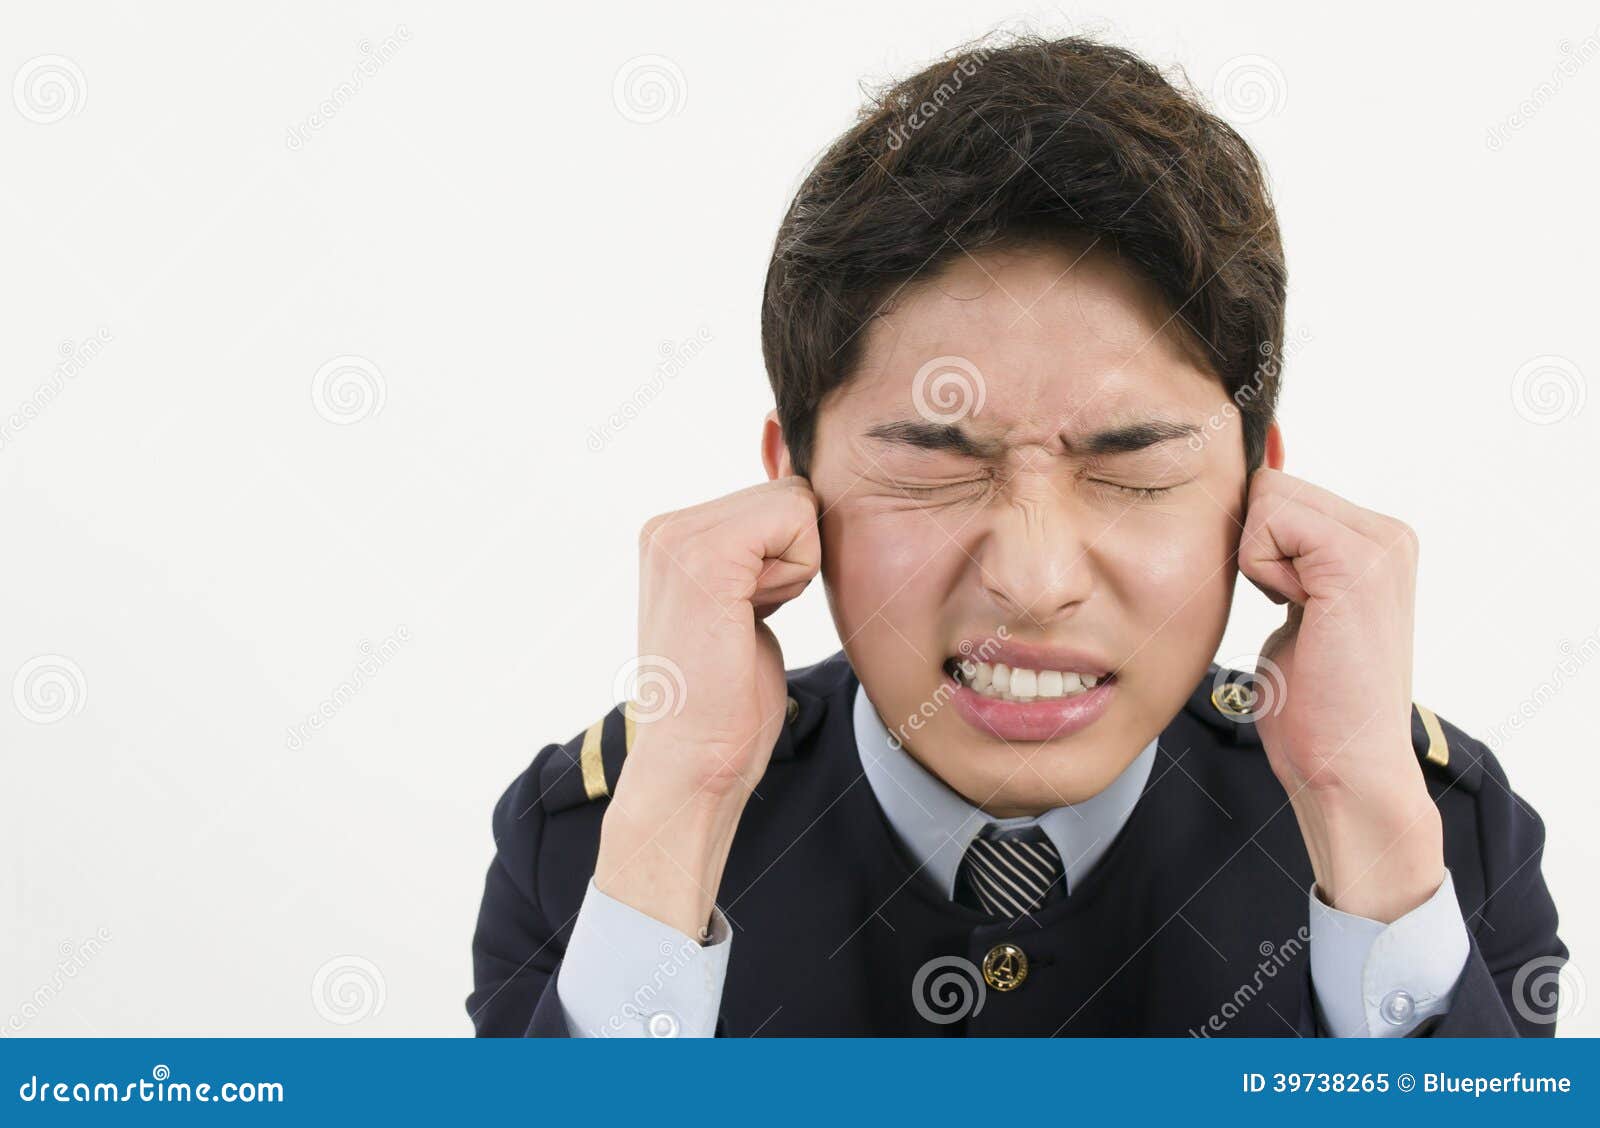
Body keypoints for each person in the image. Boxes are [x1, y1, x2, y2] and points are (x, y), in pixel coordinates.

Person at [467, 33, 1564, 1036]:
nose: (1033, 581)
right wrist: (681, 815)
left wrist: (1363, 822)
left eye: (1130, 466)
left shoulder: (1442, 837)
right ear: (789, 483)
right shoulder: (592, 844)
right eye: (938, 462)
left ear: (1255, 490)